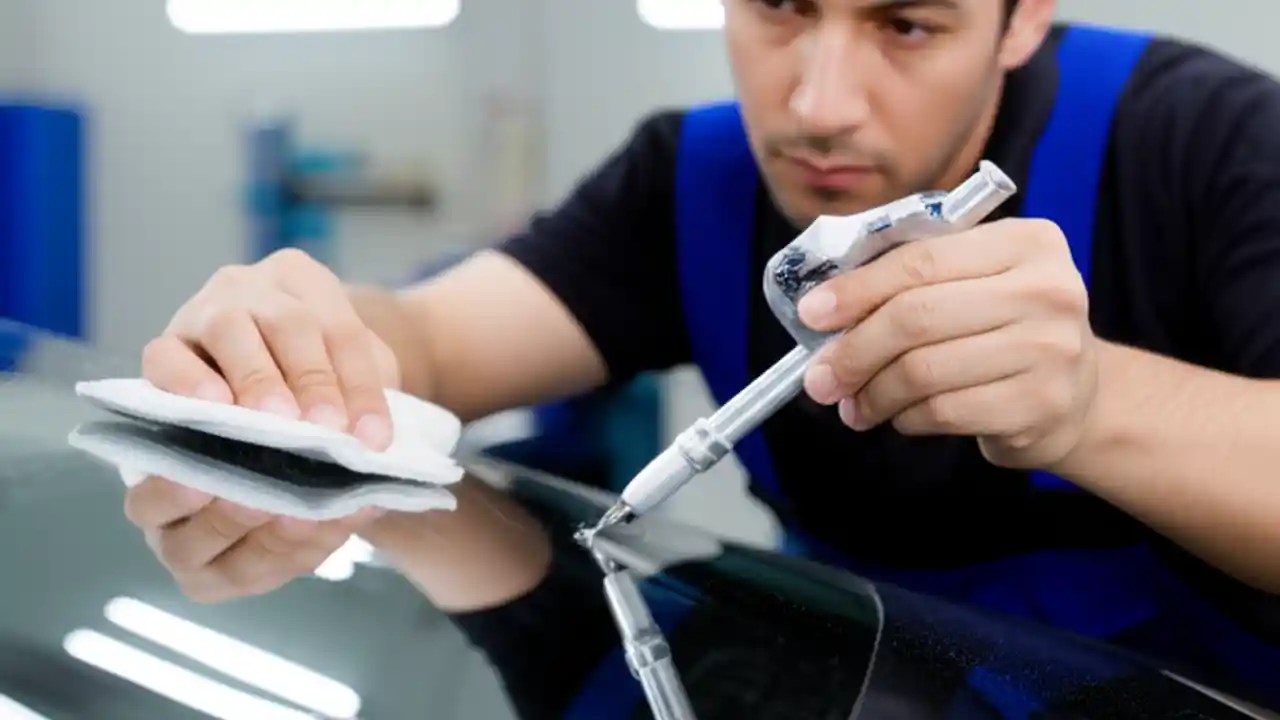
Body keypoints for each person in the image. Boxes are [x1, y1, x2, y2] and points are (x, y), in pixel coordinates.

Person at [125, 0, 1280, 706]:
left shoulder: (1205, 143)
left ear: (1023, 14)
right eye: (777, 3)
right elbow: (431, 340)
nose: (820, 104)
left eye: (907, 23)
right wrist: (300, 347)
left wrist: (1090, 403)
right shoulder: (695, 178)